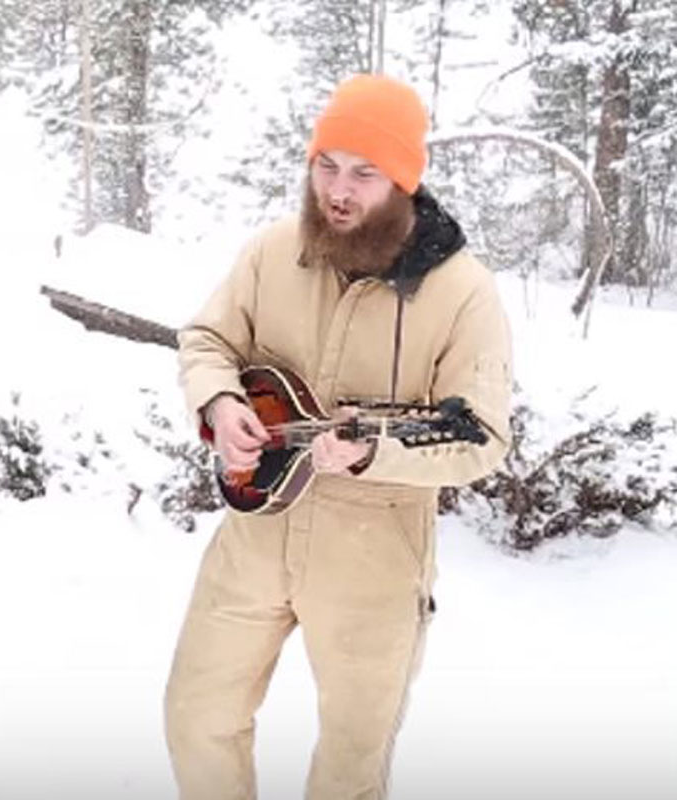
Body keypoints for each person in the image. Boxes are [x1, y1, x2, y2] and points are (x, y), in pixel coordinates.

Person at [166, 74, 513, 800]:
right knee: (197, 718)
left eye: (365, 172)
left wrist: (374, 454)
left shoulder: (463, 290)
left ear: (405, 182)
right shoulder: (272, 251)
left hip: (376, 555)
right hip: (257, 532)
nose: (339, 190)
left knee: (350, 767)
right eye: (326, 164)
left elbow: (481, 436)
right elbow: (207, 338)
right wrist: (223, 400)